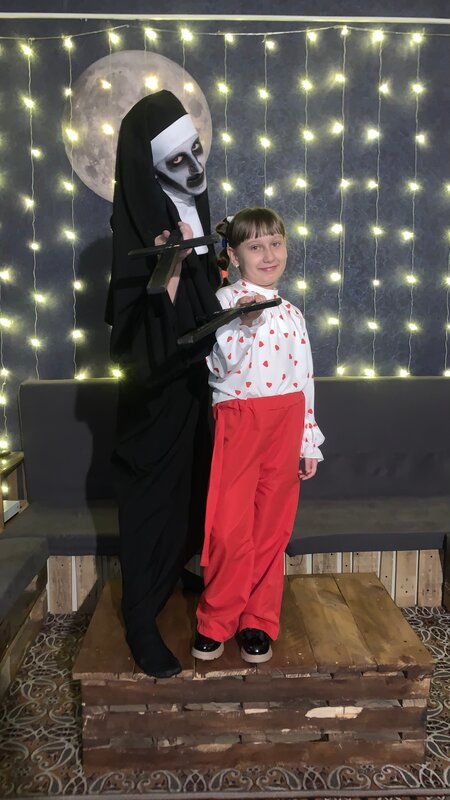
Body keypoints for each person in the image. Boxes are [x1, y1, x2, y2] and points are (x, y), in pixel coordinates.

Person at [105, 90, 222, 679]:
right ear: (149, 167)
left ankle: (175, 567)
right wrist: (167, 272)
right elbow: (135, 324)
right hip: (154, 389)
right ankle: (139, 616)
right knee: (152, 495)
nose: (195, 168)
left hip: (196, 381)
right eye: (178, 160)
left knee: (193, 481)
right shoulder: (138, 222)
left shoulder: (195, 206)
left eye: (196, 151)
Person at [192, 207, 324, 664]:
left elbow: (304, 379)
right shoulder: (223, 301)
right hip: (239, 419)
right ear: (234, 255)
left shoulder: (292, 312)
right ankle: (216, 620)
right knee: (229, 529)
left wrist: (308, 439)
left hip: (286, 419)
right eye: (255, 247)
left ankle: (257, 620)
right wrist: (244, 326)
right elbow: (218, 366)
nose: (268, 255)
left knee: (272, 527)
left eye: (275, 244)